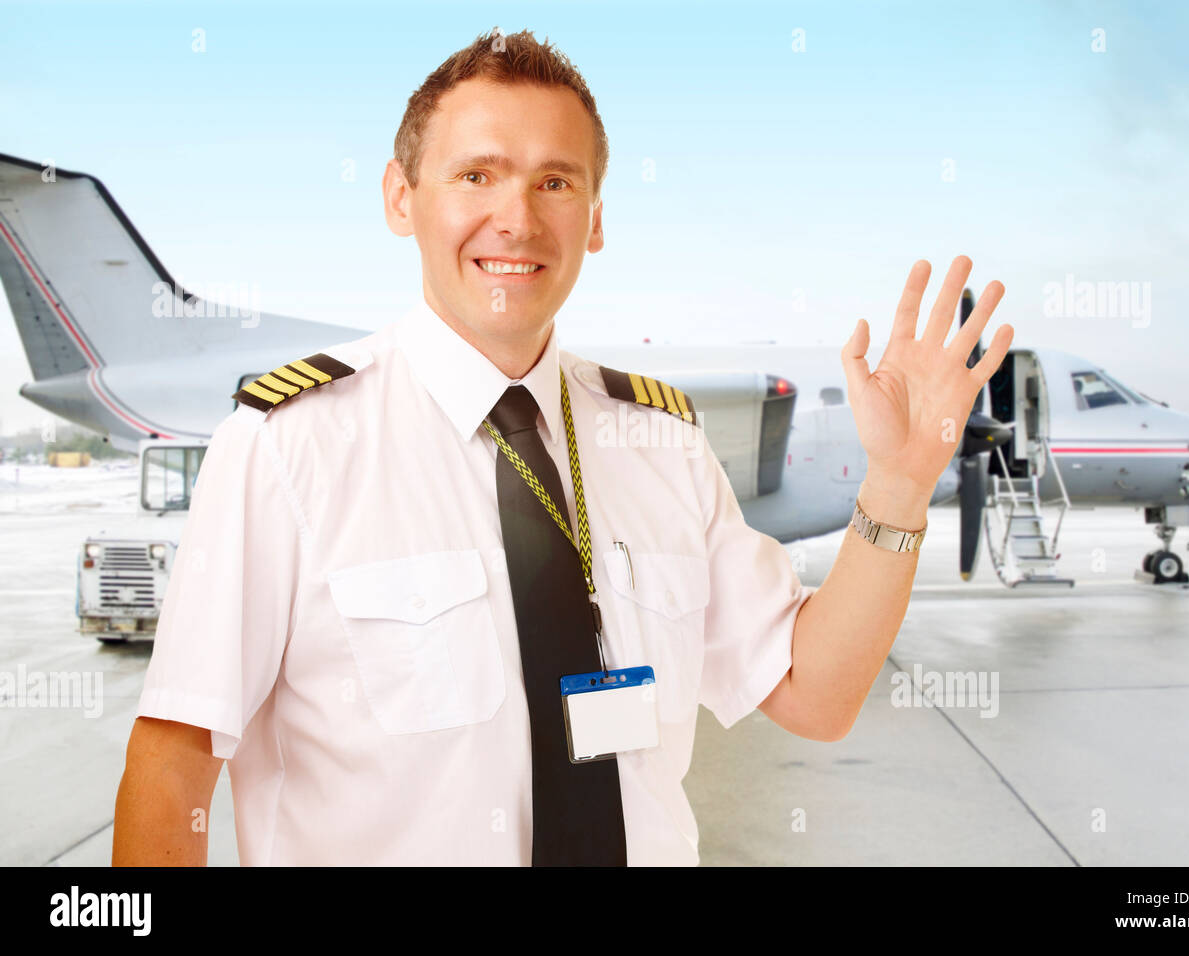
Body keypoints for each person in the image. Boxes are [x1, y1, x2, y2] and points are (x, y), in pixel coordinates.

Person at [112, 28, 1011, 867]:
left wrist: (898, 480)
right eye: (476, 176)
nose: (517, 219)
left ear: (596, 219)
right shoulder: (287, 447)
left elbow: (816, 696)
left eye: (555, 181)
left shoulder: (662, 444)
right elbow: (177, 754)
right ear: (400, 196)